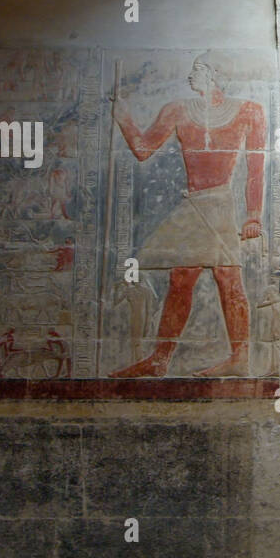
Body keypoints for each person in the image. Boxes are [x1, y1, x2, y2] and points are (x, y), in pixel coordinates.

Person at [110, 54, 265, 377]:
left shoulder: (249, 111)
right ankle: (159, 360)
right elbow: (142, 149)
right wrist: (122, 116)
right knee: (181, 278)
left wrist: (253, 215)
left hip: (220, 203)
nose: (190, 76)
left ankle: (239, 358)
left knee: (228, 278)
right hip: (193, 204)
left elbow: (256, 168)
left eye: (197, 70)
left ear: (215, 74)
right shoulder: (178, 110)